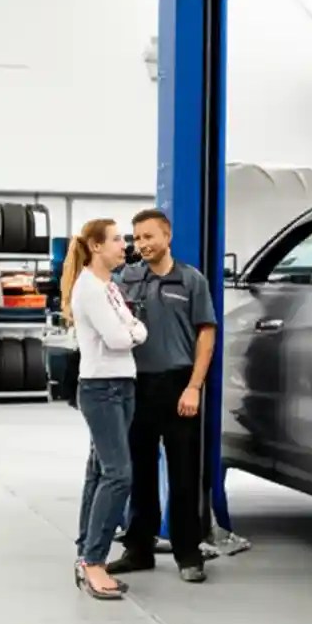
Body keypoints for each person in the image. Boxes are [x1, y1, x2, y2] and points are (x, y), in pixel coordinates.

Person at [108, 208, 217, 583]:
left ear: (167, 236)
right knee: (139, 471)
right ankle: (139, 548)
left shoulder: (190, 280)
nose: (142, 244)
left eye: (149, 236)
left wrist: (194, 387)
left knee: (183, 472)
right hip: (136, 385)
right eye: (137, 238)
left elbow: (206, 335)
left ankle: (188, 553)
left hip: (178, 385)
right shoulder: (126, 278)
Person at [60, 218, 148, 600]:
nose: (124, 245)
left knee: (99, 472)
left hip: (122, 384)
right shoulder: (89, 289)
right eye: (116, 239)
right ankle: (94, 561)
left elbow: (134, 328)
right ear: (96, 246)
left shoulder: (108, 286)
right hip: (102, 389)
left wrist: (132, 331)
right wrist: (132, 332)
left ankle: (86, 554)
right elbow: (118, 337)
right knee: (118, 475)